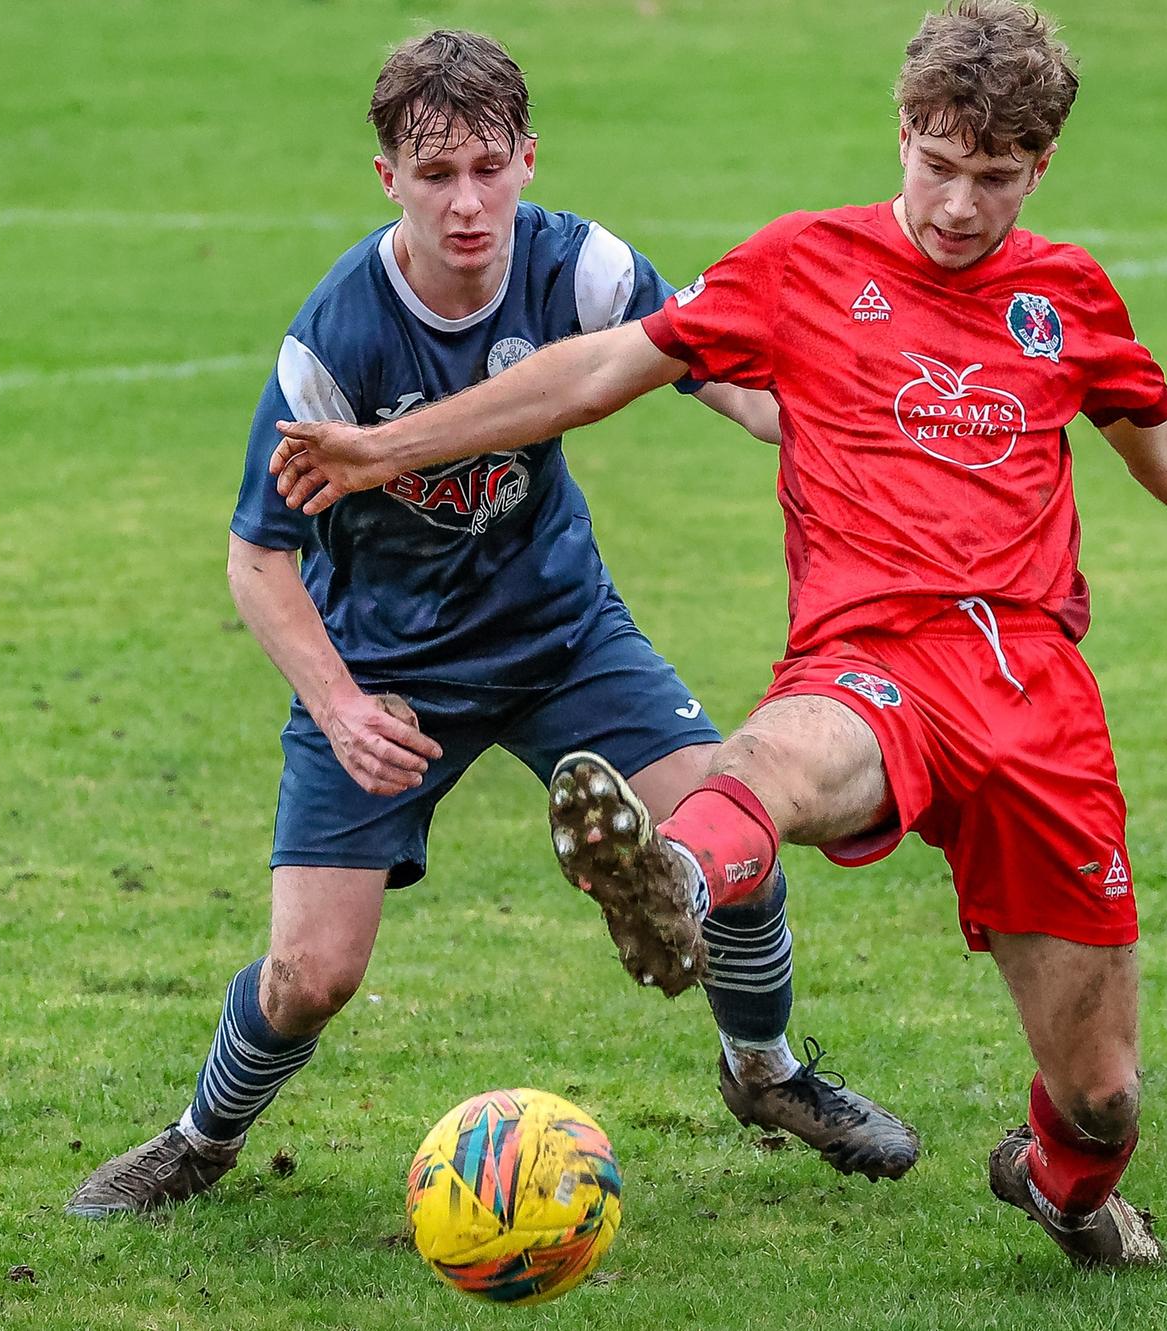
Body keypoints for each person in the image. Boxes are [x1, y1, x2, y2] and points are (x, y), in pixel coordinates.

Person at [265, 1, 1167, 1268]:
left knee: (1103, 1093)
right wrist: (379, 448)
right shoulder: (799, 267)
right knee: (769, 765)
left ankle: (1060, 1181)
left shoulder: (1064, 298)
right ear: (901, 133)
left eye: (993, 178)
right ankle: (669, 882)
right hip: (871, 663)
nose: (958, 205)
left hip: (1037, 699)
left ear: (1040, 166)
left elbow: (1166, 449)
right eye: (937, 166)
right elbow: (591, 369)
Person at [64, 29, 919, 1221]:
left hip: (565, 637)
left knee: (737, 820)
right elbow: (258, 555)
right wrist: (340, 705)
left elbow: (725, 374)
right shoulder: (338, 340)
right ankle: (199, 1141)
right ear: (386, 181)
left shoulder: (582, 270)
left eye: (485, 168)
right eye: (433, 176)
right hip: (389, 673)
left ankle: (765, 1072)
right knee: (312, 975)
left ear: (527, 157)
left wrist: (834, 421)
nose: (466, 204)